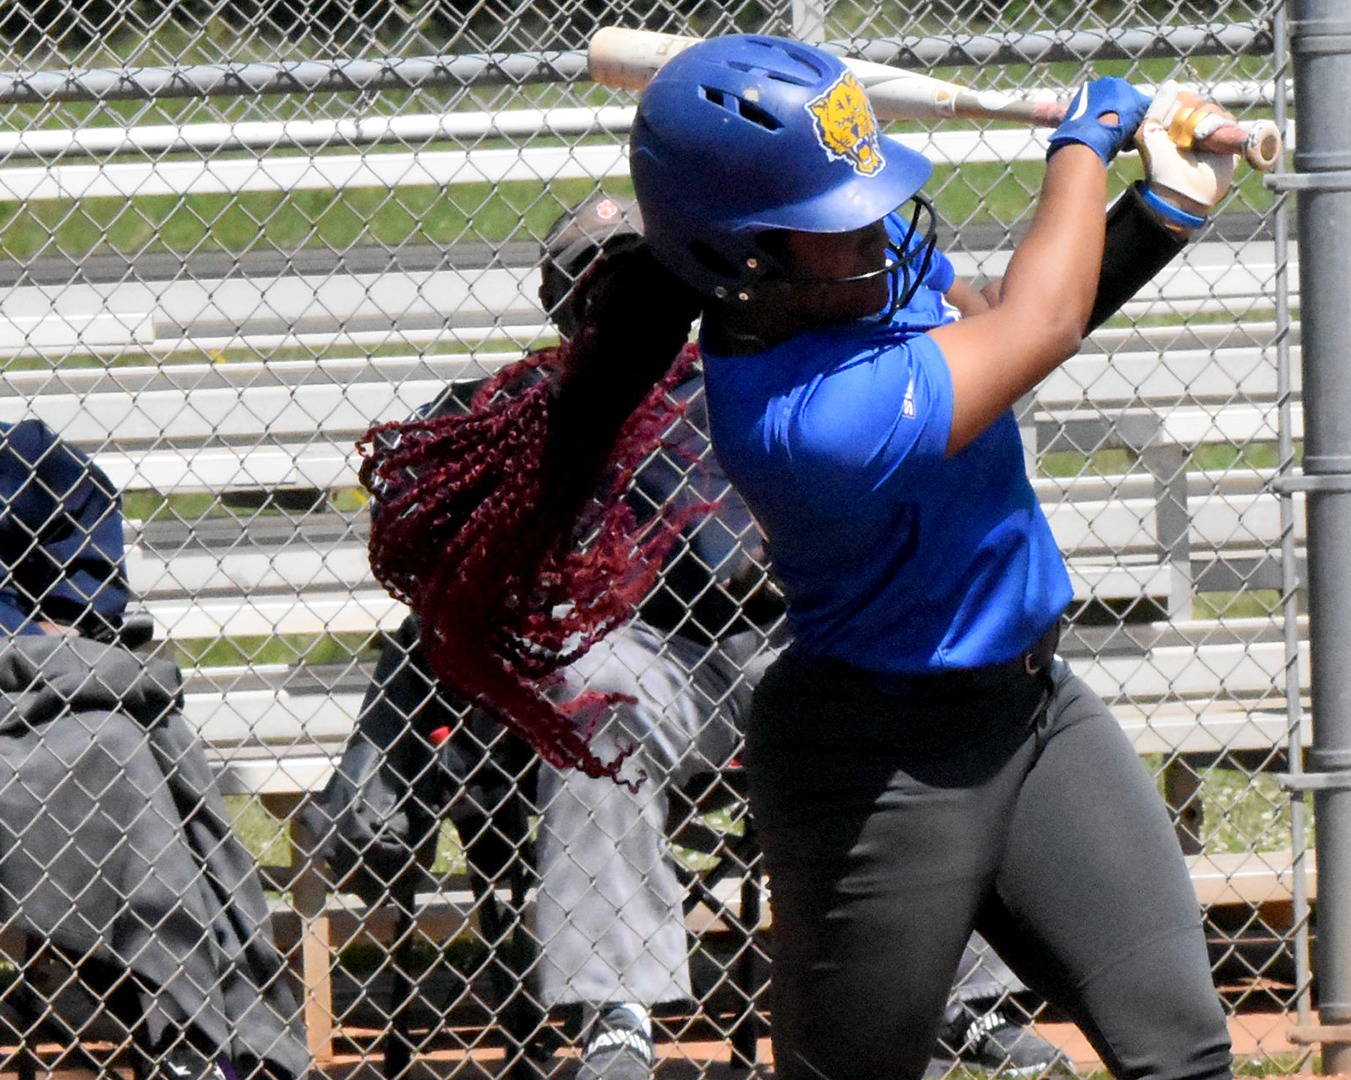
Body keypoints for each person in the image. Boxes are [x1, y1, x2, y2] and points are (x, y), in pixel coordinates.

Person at [342, 193, 1068, 1079]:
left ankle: (962, 1001)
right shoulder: (521, 403)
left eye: (639, 275)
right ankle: (618, 1012)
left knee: (894, 681)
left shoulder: (743, 371)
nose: (617, 295)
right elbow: (433, 540)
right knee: (593, 689)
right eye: (593, 276)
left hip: (790, 640)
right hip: (643, 657)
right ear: (560, 299)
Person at [0, 419, 308, 1080]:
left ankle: (189, 1035)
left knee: (124, 744)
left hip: (21, 701)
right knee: (115, 747)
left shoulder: (16, 453)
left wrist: (61, 627)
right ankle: (196, 1028)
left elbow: (80, 506)